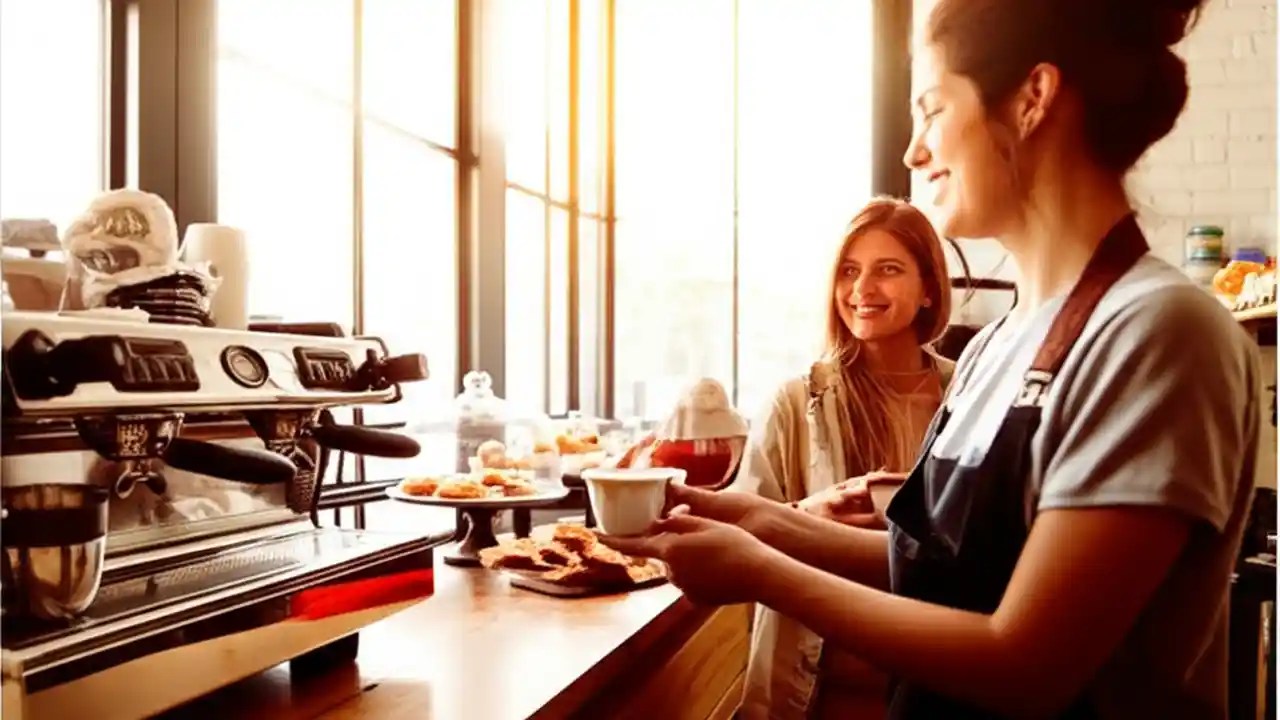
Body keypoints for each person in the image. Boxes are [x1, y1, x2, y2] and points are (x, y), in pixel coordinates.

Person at [603, 1, 1262, 718]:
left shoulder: (1157, 333)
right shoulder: (994, 348)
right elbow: (936, 571)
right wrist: (758, 522)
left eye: (931, 109)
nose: (913, 152)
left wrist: (763, 572)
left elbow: (1028, 663)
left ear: (1033, 99)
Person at [730, 197, 956, 719]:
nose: (862, 290)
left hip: (938, 688)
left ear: (928, 290)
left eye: (889, 270)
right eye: (850, 271)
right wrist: (810, 516)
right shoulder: (794, 403)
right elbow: (736, 542)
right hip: (818, 695)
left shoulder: (971, 395)